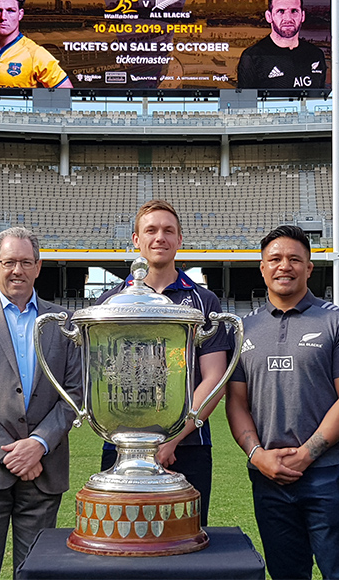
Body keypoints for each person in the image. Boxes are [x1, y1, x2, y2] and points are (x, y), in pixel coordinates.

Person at [226, 225, 339, 580]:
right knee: (286, 574)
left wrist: (307, 453)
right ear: (262, 267)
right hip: (268, 477)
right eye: (275, 259)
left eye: (294, 259)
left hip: (327, 473)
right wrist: (258, 456)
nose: (284, 266)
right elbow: (236, 402)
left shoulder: (338, 322)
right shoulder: (244, 329)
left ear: (309, 268)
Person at [0, 227, 82, 579]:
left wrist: (38, 444)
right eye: (9, 262)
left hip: (43, 470)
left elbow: (75, 393)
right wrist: (9, 453)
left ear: (38, 267)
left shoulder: (64, 323)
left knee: (36, 572)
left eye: (25, 262)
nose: (17, 270)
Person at [97, 199, 230, 526]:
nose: (160, 237)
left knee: (185, 538)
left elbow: (213, 377)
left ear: (179, 240)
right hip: (122, 447)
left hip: (189, 444)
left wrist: (172, 439)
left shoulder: (203, 300)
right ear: (135, 239)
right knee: (122, 540)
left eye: (168, 230)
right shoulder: (110, 303)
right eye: (151, 230)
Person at [237, 0, 327, 90]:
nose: (288, 18)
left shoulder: (316, 54)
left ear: (302, 16)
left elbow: (321, 99)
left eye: (294, 11)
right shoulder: (252, 57)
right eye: (281, 11)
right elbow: (245, 103)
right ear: (269, 16)